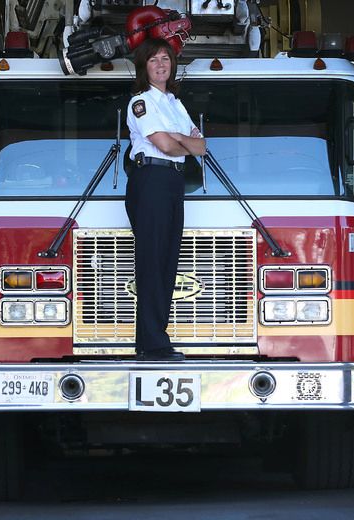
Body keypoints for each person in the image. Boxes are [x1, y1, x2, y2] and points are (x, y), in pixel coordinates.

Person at [125, 38, 206, 361]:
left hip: (173, 180)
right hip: (151, 179)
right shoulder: (140, 102)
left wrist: (178, 140)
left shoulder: (174, 103)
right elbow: (166, 145)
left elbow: (201, 148)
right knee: (152, 262)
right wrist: (179, 141)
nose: (161, 65)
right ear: (144, 67)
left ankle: (151, 341)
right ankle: (154, 343)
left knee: (168, 262)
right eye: (154, 60)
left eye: (166, 59)